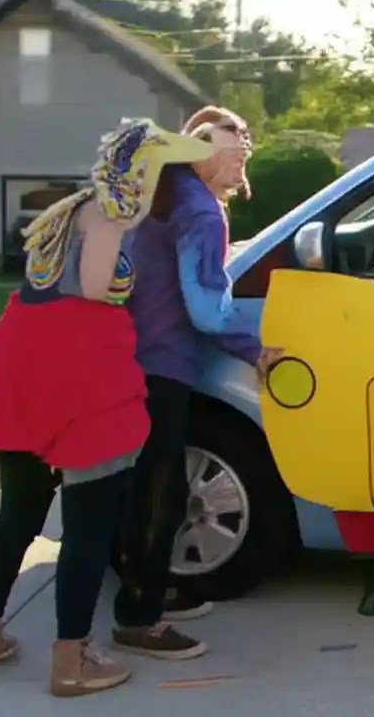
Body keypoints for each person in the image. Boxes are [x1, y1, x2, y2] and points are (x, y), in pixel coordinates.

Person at [0, 118, 216, 696]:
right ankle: (72, 659)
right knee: (89, 520)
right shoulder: (109, 216)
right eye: (165, 171)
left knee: (20, 510)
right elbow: (91, 291)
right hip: (79, 376)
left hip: (20, 366)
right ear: (140, 175)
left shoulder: (71, 208)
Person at [111, 106, 281, 661]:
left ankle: (154, 589)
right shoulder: (200, 212)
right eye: (236, 153)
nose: (242, 163)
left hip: (135, 356)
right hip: (164, 362)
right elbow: (208, 309)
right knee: (159, 491)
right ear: (203, 152)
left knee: (156, 483)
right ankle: (139, 619)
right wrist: (256, 348)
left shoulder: (169, 195)